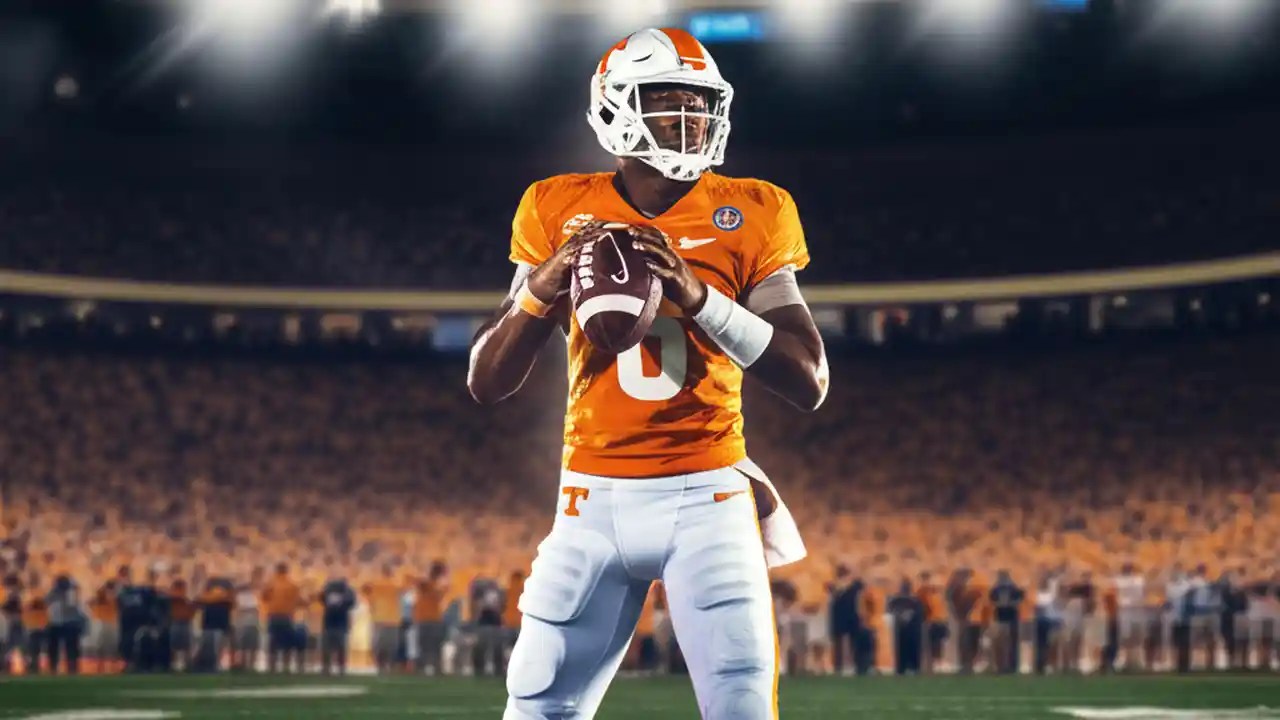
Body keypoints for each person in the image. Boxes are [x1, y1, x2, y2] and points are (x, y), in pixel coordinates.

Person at [468, 26, 825, 720]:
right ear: (616, 106)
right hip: (589, 499)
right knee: (537, 704)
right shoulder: (553, 204)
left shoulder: (755, 208)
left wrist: (700, 297)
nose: (691, 120)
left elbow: (809, 379)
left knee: (742, 704)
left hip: (710, 496)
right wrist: (540, 290)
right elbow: (486, 380)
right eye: (668, 101)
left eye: (700, 104)